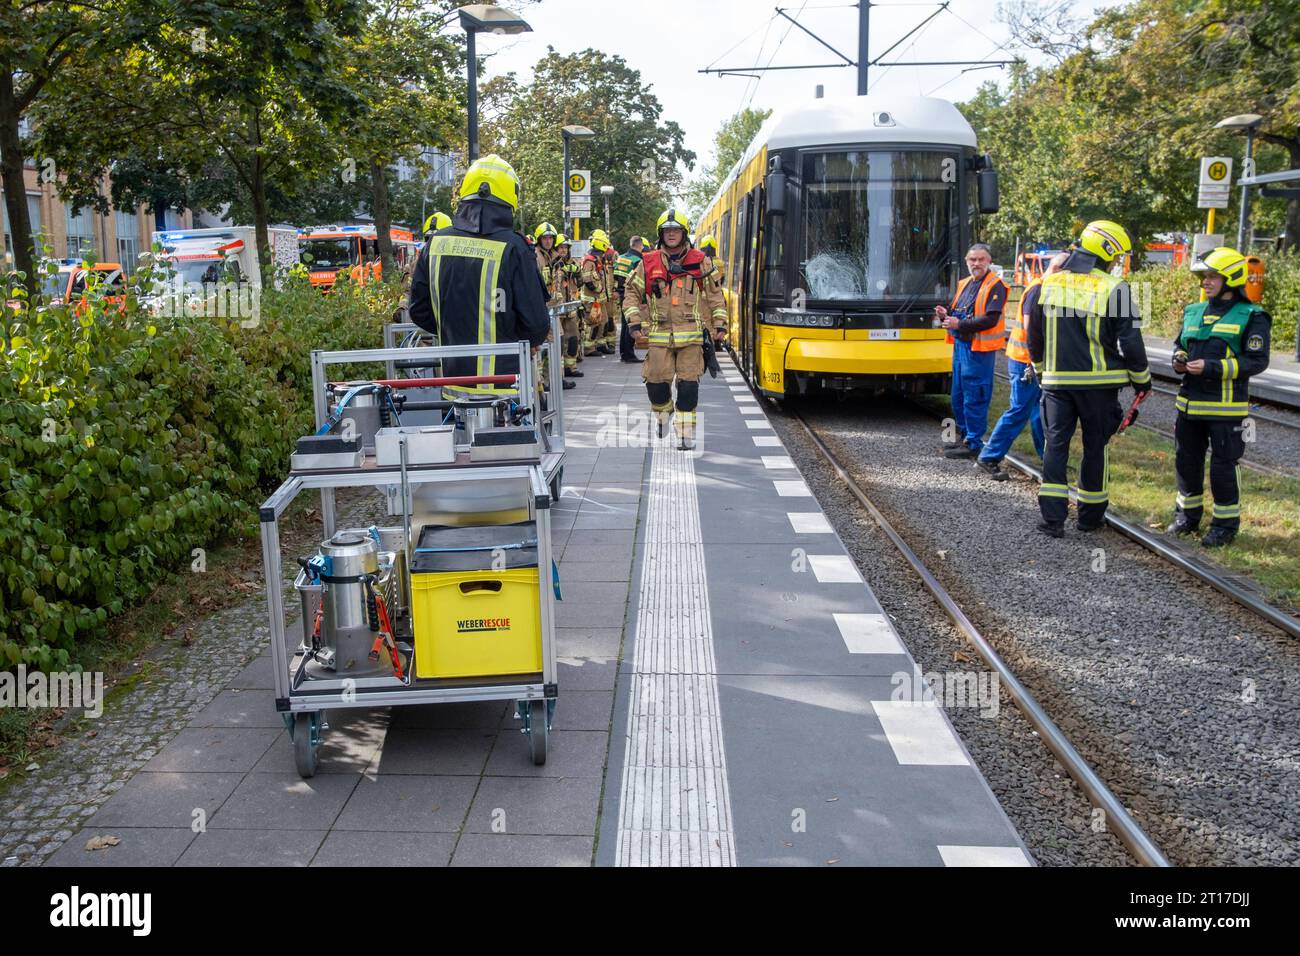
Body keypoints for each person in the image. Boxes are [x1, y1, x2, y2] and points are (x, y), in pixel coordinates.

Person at [1026, 220, 1151, 537]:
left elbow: (1034, 337)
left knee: (1056, 446)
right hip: (1099, 387)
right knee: (1096, 448)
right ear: (1108, 252)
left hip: (1056, 385)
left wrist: (1042, 372)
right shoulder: (1115, 289)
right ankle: (1089, 518)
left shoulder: (1049, 284)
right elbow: (1131, 343)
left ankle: (1052, 520)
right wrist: (1142, 380)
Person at [408, 154, 550, 395]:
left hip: (452, 387)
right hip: (506, 392)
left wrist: (454, 331)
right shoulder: (515, 247)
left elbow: (419, 310)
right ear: (510, 195)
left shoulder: (436, 244)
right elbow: (536, 324)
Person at [1167, 247, 1271, 547]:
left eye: (1212, 276)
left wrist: (1212, 367)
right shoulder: (1193, 311)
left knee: (1223, 467)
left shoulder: (1252, 316)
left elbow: (1256, 362)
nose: (1206, 283)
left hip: (1225, 410)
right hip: (1188, 406)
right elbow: (1180, 344)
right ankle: (1187, 517)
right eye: (1203, 277)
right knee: (1186, 462)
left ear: (1231, 278)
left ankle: (1225, 527)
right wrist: (1179, 358)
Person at [622, 208, 727, 450]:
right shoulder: (648, 263)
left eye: (676, 230)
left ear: (684, 233)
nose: (671, 234)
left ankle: (685, 435)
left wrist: (720, 324)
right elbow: (630, 293)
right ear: (661, 234)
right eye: (667, 230)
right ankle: (663, 411)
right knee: (656, 385)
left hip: (691, 338)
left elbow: (715, 296)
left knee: (689, 387)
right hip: (658, 337)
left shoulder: (701, 261)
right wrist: (634, 321)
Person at [976, 251, 1067, 479]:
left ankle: (1049, 458)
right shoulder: (1038, 290)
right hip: (1026, 362)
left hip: (1030, 361)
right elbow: (1031, 330)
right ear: (1057, 271)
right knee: (1019, 411)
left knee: (1039, 412)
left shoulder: (1043, 288)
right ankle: (989, 456)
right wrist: (1038, 362)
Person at [935, 244, 1009, 459]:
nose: (976, 263)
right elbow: (960, 312)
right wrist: (944, 315)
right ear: (967, 261)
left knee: (975, 395)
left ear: (989, 261)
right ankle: (965, 437)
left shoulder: (996, 285)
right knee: (958, 396)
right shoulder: (964, 283)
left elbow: (990, 318)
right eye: (972, 260)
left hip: (978, 350)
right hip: (961, 347)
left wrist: (959, 324)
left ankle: (974, 443)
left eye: (981, 259)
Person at [580, 229, 617, 356]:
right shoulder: (590, 260)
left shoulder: (598, 259)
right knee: (593, 324)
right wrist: (599, 290)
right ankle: (589, 348)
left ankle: (600, 345)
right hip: (592, 300)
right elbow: (588, 280)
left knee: (604, 322)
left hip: (599, 300)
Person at [613, 236, 646, 363]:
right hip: (632, 295)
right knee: (631, 324)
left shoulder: (620, 257)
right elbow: (638, 282)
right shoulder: (638, 260)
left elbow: (615, 276)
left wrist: (616, 290)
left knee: (624, 324)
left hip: (621, 294)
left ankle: (624, 353)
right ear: (640, 245)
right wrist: (643, 301)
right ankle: (629, 354)